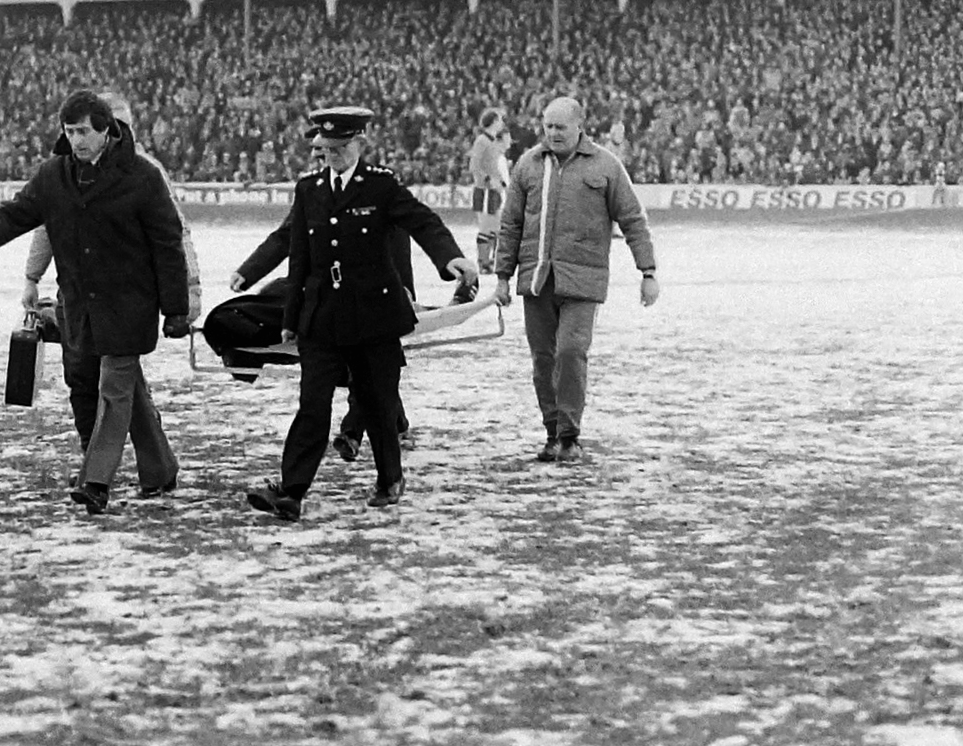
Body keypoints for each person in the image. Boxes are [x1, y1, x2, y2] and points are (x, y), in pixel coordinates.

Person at [0, 90, 190, 515]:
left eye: (83, 131)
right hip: (78, 305)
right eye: (69, 131)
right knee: (127, 388)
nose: (76, 140)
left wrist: (177, 308)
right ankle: (160, 468)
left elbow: (168, 244)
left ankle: (95, 481)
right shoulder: (53, 176)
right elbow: (14, 215)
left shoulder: (142, 177)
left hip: (129, 305)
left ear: (106, 130)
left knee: (113, 390)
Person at [246, 106, 480, 521]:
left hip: (374, 315)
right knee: (312, 405)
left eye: (339, 149)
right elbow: (298, 257)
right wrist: (289, 318)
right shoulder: (309, 190)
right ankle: (291, 492)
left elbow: (423, 222)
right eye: (326, 149)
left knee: (377, 401)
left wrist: (451, 260)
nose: (330, 157)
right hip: (322, 318)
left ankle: (390, 478)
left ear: (359, 144)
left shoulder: (380, 188)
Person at [22, 92, 202, 454]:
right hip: (77, 295)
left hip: (124, 299)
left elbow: (173, 235)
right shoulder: (66, 170)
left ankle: (109, 471)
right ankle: (129, 461)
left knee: (115, 382)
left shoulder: (145, 172)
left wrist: (187, 293)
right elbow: (45, 226)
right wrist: (32, 275)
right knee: (87, 379)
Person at [227, 127, 419, 461]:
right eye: (317, 151)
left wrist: (402, 291)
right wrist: (249, 271)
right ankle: (392, 423)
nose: (320, 156)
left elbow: (398, 241)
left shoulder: (378, 185)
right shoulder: (313, 190)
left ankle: (357, 433)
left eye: (326, 149)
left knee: (371, 362)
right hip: (329, 293)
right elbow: (287, 237)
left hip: (376, 290)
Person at [493, 96, 659, 465]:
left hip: (583, 282)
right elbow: (511, 225)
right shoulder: (528, 165)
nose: (552, 133)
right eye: (547, 126)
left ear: (579, 126)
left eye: (560, 127)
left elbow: (632, 220)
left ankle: (570, 435)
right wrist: (502, 276)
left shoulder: (605, 165)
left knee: (570, 353)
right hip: (537, 280)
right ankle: (552, 434)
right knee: (543, 359)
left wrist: (647, 272)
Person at [467, 108, 510, 275]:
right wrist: (487, 179)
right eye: (499, 120)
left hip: (492, 190)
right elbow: (474, 165)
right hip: (484, 189)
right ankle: (483, 263)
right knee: (486, 226)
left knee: (494, 226)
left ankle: (489, 260)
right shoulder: (482, 141)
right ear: (493, 122)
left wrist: (500, 182)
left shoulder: (491, 141)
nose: (501, 123)